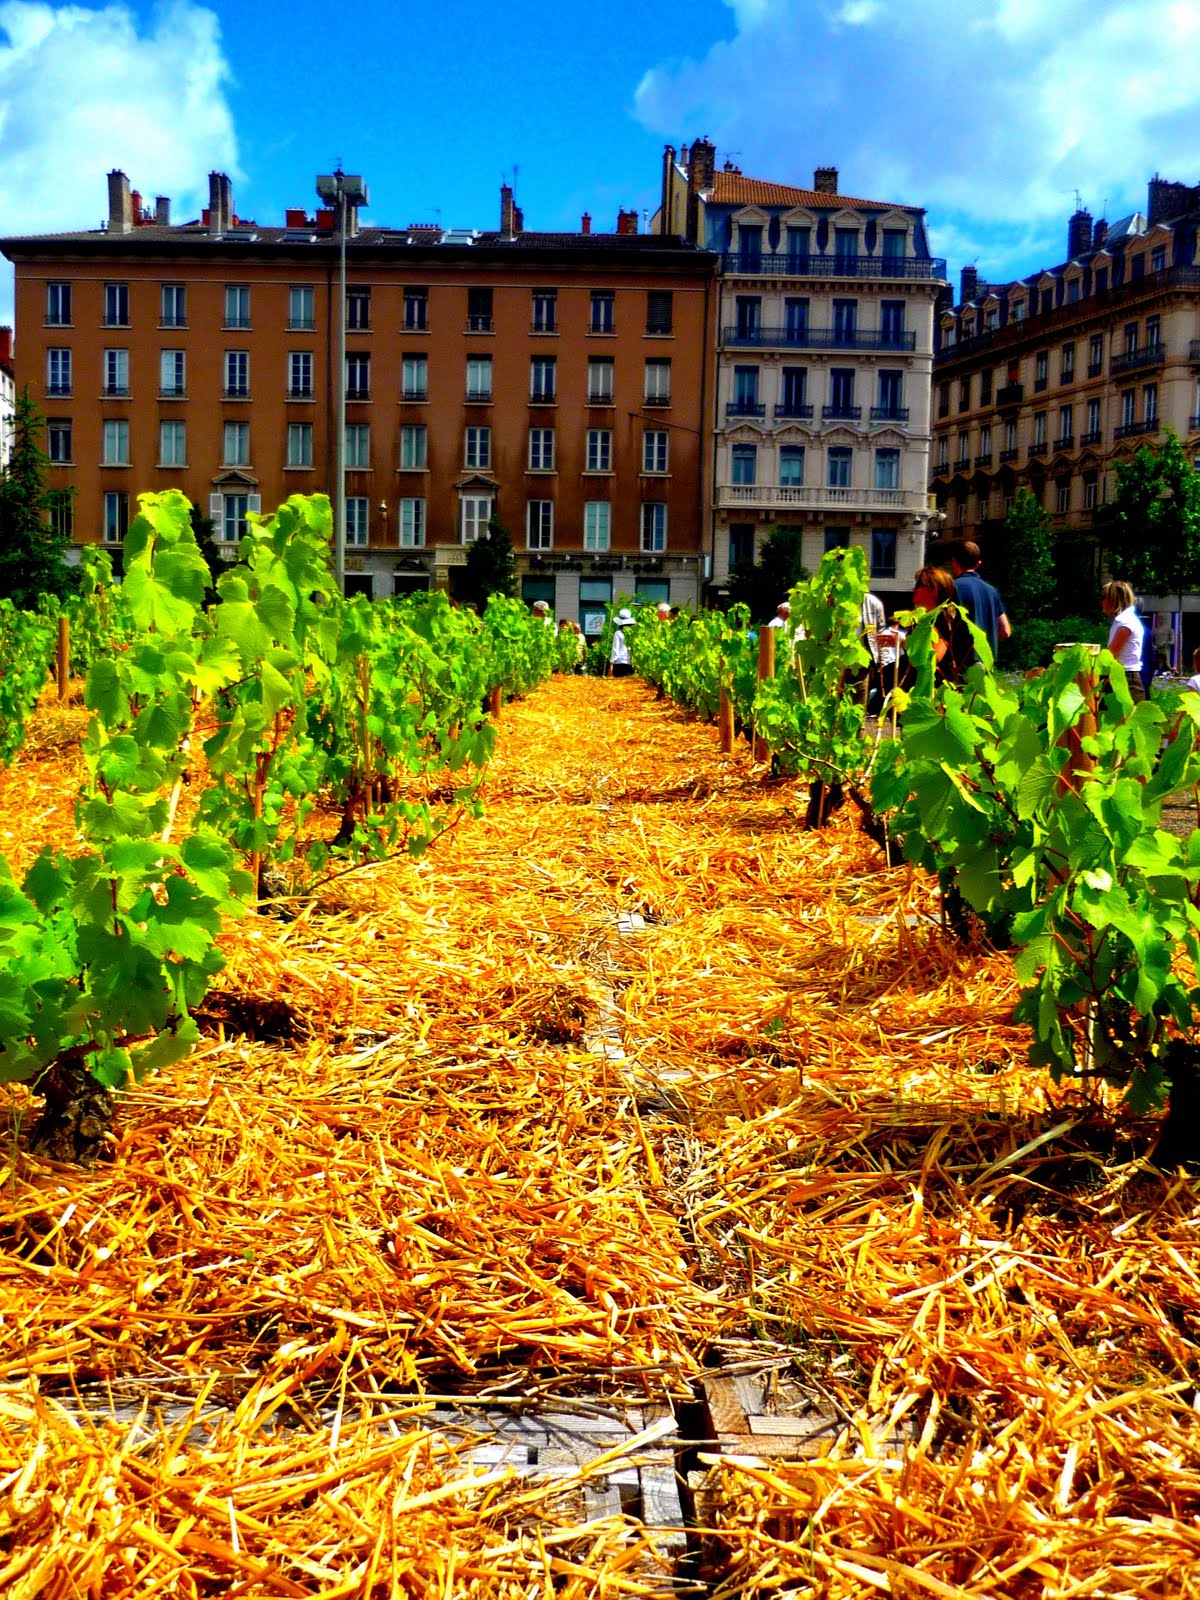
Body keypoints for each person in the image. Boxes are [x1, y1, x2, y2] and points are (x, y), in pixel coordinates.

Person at [884, 566, 973, 688]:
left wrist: (905, 643)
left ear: (934, 590)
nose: (914, 589)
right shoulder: (923, 619)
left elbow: (934, 656)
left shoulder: (942, 619)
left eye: (919, 585)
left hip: (932, 690)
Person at [949, 540, 1011, 661]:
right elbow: (1005, 631)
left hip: (959, 666)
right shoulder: (992, 592)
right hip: (986, 666)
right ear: (978, 564)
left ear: (954, 562)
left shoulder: (951, 589)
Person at [1101, 580, 1146, 703]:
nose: (1102, 602)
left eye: (1104, 597)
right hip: (1120, 677)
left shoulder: (1126, 622)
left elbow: (1111, 655)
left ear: (1114, 599)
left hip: (1127, 679)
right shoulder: (1122, 621)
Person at [609, 608, 635, 677]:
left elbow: (615, 649)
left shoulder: (618, 633)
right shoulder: (632, 634)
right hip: (629, 662)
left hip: (619, 663)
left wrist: (611, 663)